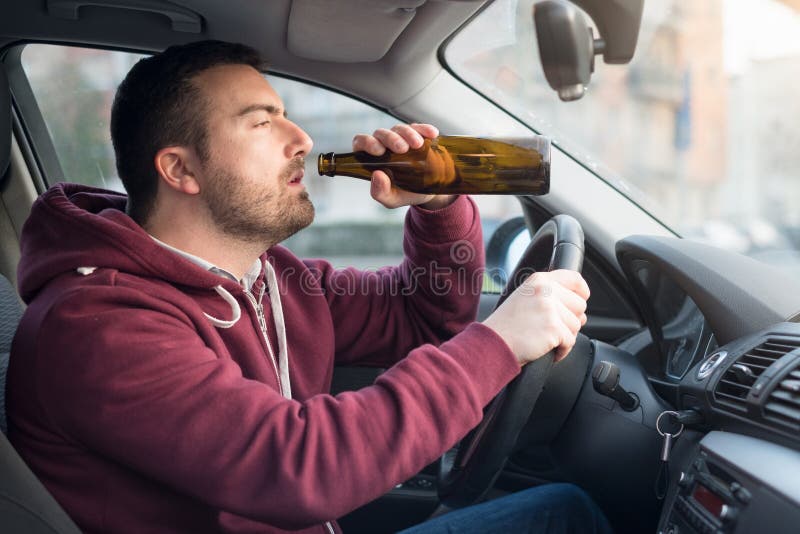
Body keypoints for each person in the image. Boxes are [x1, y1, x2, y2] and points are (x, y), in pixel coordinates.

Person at [7, 40, 609, 533]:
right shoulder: (97, 324)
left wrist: (438, 204)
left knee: (567, 509)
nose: (301, 140)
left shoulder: (271, 279)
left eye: (286, 115)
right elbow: (298, 468)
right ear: (180, 169)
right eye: (262, 122)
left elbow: (426, 318)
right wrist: (501, 343)